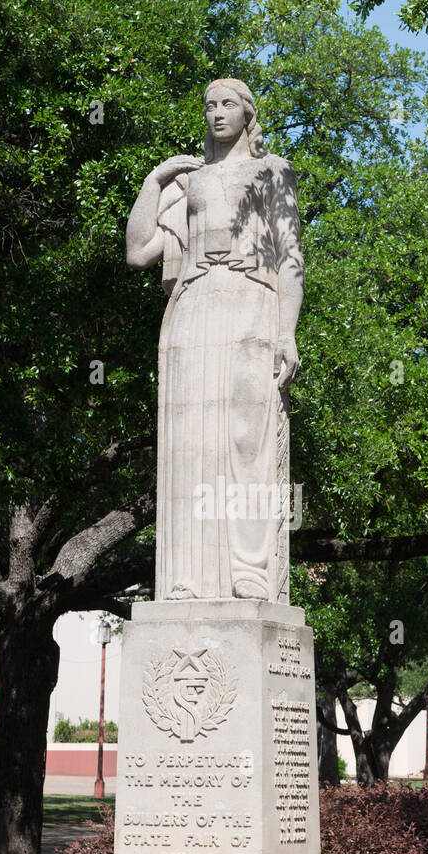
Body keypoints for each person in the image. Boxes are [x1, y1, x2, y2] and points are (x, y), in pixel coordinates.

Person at [126, 77, 304, 602]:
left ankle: (249, 569)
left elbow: (291, 261)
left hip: (251, 308)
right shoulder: (191, 182)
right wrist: (155, 180)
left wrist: (287, 334)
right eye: (209, 105)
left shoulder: (271, 172)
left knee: (246, 438)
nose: (217, 113)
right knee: (190, 444)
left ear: (248, 113)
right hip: (193, 312)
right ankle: (186, 576)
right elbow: (139, 252)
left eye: (228, 104)